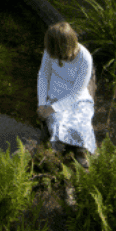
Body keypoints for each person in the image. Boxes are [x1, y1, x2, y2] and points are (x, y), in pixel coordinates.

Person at [36, 21, 96, 161]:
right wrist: (42, 103)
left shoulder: (85, 58)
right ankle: (62, 148)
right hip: (56, 95)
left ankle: (80, 149)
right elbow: (43, 76)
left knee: (83, 122)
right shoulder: (49, 52)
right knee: (57, 122)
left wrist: (51, 108)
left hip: (77, 99)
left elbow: (76, 92)